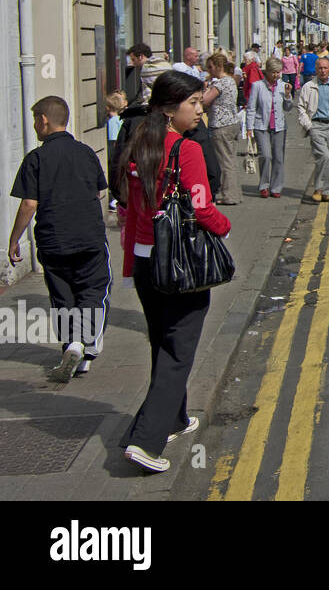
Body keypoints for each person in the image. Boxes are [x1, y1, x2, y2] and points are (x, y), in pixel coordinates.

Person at [116, 71, 230, 472]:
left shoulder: (137, 146)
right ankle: (146, 440)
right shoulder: (187, 150)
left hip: (148, 264)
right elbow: (202, 208)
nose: (200, 110)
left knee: (161, 344)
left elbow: (129, 215)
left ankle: (176, 418)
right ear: (169, 110)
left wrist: (130, 266)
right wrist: (224, 227)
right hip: (181, 265)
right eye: (194, 103)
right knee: (177, 353)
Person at [7, 96, 112, 382]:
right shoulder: (86, 152)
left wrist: (14, 240)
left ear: (43, 120)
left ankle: (70, 345)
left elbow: (29, 204)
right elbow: (100, 192)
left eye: (35, 120)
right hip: (89, 238)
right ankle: (85, 350)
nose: (34, 125)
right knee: (92, 291)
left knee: (62, 297)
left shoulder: (36, 159)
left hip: (53, 241)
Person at [297, 57, 329, 203]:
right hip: (316, 126)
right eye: (320, 68)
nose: (323, 71)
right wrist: (309, 126)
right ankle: (318, 189)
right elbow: (301, 108)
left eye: (325, 68)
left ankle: (327, 191)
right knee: (324, 157)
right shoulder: (308, 86)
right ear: (316, 70)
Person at [248, 57, 292, 198]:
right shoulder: (258, 86)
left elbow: (288, 108)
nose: (276, 75)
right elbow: (251, 108)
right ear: (266, 72)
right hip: (262, 126)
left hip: (279, 127)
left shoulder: (283, 86)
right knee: (266, 156)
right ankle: (264, 185)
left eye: (278, 72)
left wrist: (287, 96)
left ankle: (276, 187)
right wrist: (249, 128)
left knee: (278, 158)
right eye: (273, 72)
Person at [203, 55, 243, 205]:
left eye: (211, 67)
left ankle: (229, 196)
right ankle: (235, 193)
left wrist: (205, 89)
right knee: (231, 160)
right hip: (232, 123)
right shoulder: (231, 81)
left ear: (218, 67)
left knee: (224, 162)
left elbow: (205, 101)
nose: (209, 70)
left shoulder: (220, 83)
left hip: (221, 125)